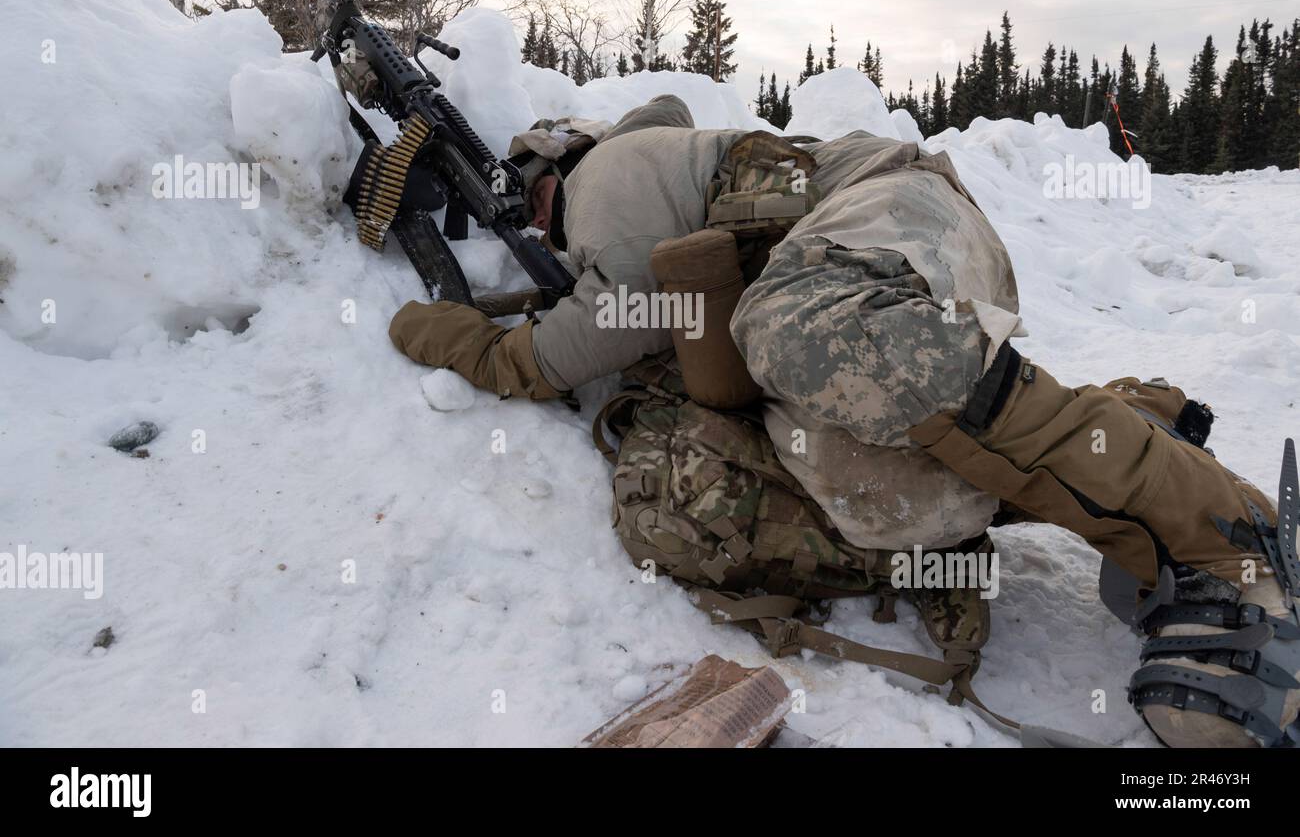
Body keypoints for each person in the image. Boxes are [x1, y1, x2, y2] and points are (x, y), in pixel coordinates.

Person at [388, 94, 1300, 748]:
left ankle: (1220, 533)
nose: (547, 223)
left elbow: (614, 308)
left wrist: (484, 350)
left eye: (539, 195)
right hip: (904, 269)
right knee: (885, 502)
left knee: (788, 325)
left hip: (893, 215)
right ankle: (1127, 428)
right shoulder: (659, 193)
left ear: (565, 159)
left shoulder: (612, 170)